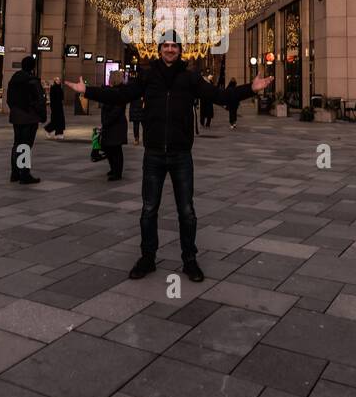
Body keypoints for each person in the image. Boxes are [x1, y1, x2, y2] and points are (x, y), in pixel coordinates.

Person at [66, 40, 272, 283]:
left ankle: (189, 259)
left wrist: (251, 88)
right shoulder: (148, 76)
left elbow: (219, 95)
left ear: (180, 50)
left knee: (187, 211)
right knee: (149, 209)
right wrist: (87, 91)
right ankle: (148, 258)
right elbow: (121, 94)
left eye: (175, 45)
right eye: (166, 45)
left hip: (181, 154)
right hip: (153, 153)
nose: (170, 49)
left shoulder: (190, 78)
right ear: (160, 49)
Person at [7, 56, 46, 184]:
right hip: (29, 117)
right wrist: (42, 115)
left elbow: (9, 100)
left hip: (16, 116)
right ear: (33, 67)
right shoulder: (32, 81)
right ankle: (24, 174)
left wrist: (15, 109)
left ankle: (15, 172)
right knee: (26, 145)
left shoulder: (13, 80)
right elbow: (40, 101)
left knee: (17, 144)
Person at [100, 71, 128, 181]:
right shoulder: (111, 90)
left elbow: (117, 110)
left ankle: (117, 172)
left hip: (116, 124)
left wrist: (107, 121)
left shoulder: (120, 92)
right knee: (109, 147)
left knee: (115, 148)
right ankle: (113, 168)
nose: (108, 78)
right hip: (110, 124)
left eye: (110, 77)